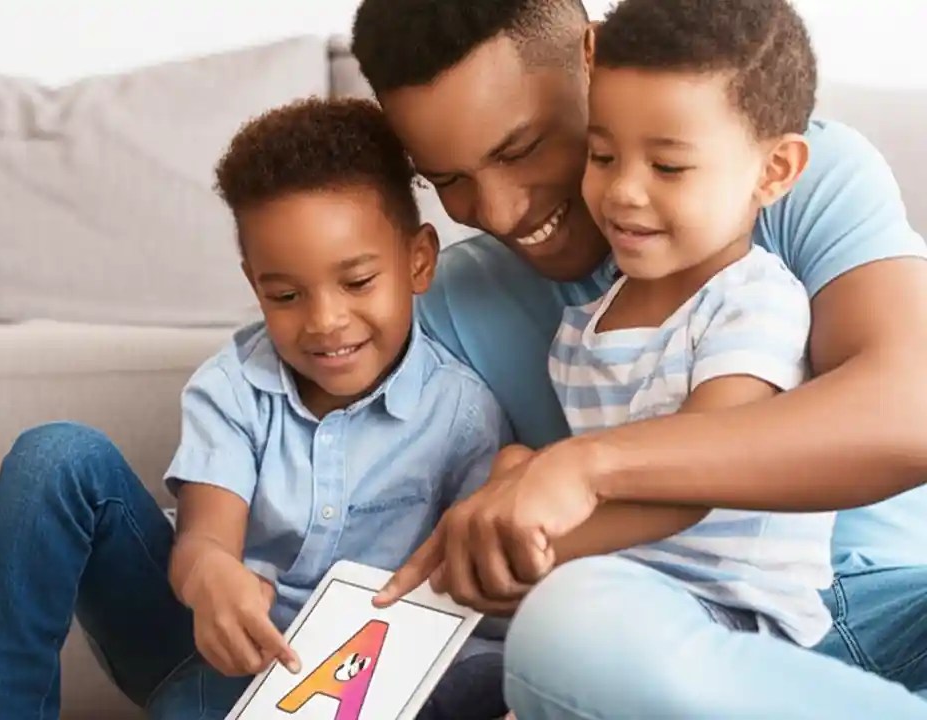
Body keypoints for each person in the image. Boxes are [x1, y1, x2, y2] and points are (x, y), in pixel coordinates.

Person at [350, 0, 927, 717]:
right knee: (564, 629)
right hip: (670, 644)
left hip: (892, 608)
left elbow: (912, 412)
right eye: (448, 181)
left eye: (520, 148)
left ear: (592, 58)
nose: (498, 213)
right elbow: (275, 397)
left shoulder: (776, 179)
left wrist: (587, 467)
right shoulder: (453, 301)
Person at [0, 97, 515, 720]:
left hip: (360, 683)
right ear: (255, 285)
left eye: (357, 283)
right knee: (54, 457)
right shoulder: (231, 389)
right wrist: (212, 577)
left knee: (499, 670)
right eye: (285, 294)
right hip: (205, 648)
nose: (326, 321)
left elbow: (471, 596)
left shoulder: (462, 411)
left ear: (418, 261)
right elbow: (202, 539)